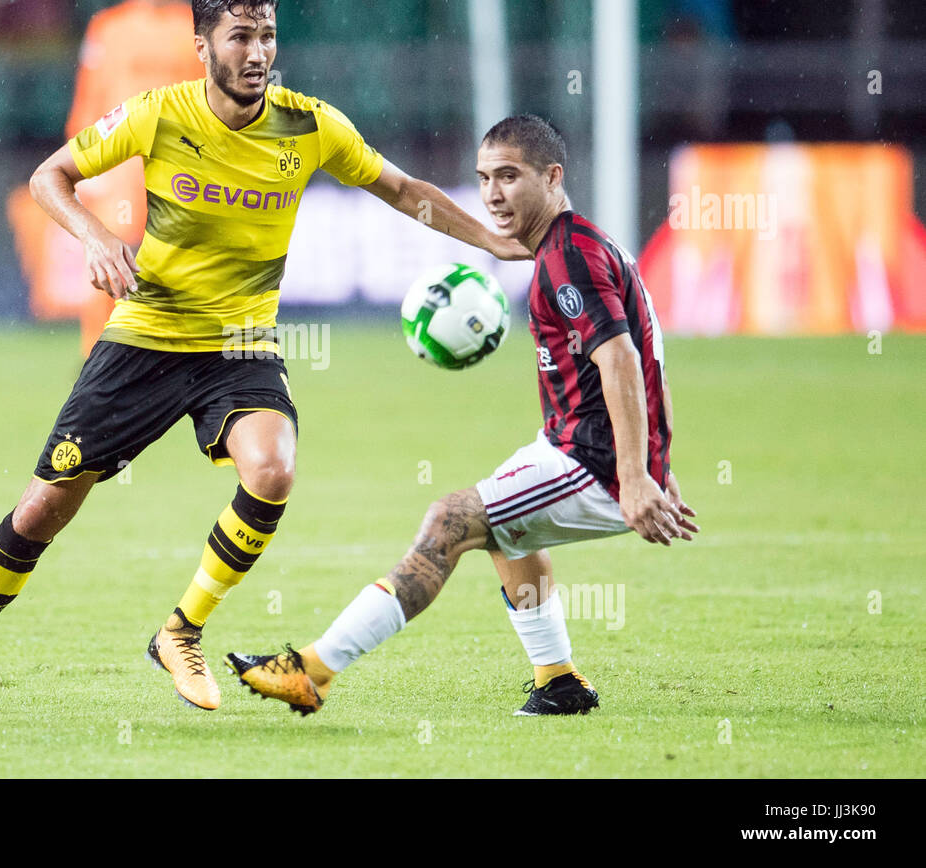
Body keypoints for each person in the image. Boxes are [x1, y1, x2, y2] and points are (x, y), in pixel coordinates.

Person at [0, 0, 531, 716]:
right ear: (203, 46)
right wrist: (94, 236)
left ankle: (180, 632)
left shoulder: (310, 126)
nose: (258, 53)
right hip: (145, 337)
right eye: (241, 37)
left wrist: (494, 244)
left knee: (273, 471)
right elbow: (49, 176)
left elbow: (405, 189)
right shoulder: (158, 115)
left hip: (240, 341)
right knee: (41, 509)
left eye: (268, 36)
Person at [227, 114, 698, 716]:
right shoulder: (580, 243)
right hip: (576, 447)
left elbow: (623, 359)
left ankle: (312, 671)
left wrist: (636, 473)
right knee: (507, 525)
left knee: (452, 519)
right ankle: (559, 681)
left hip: (592, 461)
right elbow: (645, 354)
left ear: (553, 177)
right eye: (483, 178)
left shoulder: (568, 260)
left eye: (509, 176)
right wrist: (656, 454)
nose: (493, 194)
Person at [62, 0, 200, 356]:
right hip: (119, 165)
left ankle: (182, 355)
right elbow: (89, 97)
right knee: (110, 255)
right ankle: (97, 354)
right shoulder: (107, 27)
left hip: (180, 161)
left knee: (181, 260)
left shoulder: (196, 27)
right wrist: (81, 161)